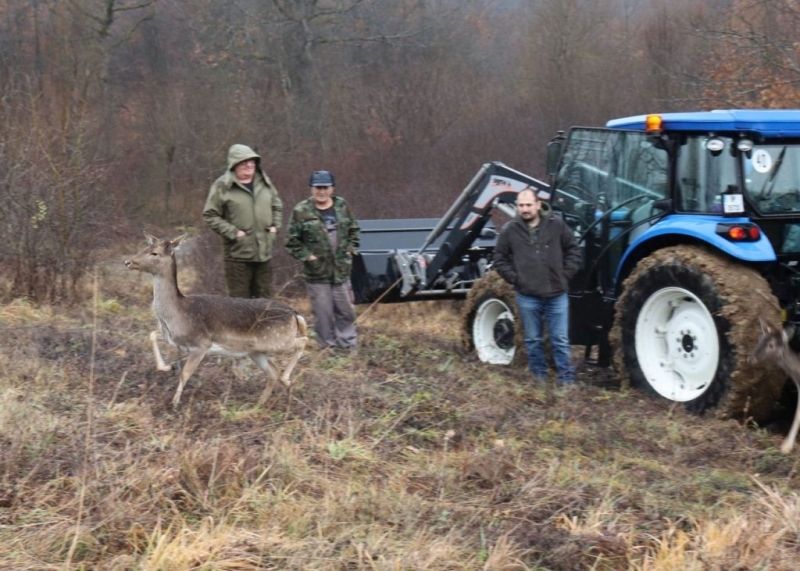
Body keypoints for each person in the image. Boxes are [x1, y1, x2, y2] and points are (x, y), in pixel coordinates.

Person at [492, 188, 582, 384]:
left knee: (560, 340)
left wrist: (565, 275)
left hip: (556, 294)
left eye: (528, 205)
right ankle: (538, 379)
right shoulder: (510, 229)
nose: (524, 209)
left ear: (538, 205)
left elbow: (573, 250)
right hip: (527, 295)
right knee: (533, 340)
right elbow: (499, 259)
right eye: (521, 205)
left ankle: (566, 380)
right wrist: (515, 278)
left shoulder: (556, 224)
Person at [286, 170, 361, 351]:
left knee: (346, 311)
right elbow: (291, 241)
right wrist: (308, 257)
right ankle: (327, 347)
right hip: (317, 273)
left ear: (332, 188)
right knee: (323, 313)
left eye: (325, 187)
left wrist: (351, 249)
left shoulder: (342, 206)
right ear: (312, 189)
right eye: (318, 187)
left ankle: (347, 345)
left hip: (341, 271)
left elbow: (354, 230)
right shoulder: (301, 211)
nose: (321, 191)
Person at [203, 144, 283, 298]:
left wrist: (275, 227)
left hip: (264, 253)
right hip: (237, 256)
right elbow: (210, 215)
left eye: (252, 161)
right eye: (243, 162)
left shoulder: (264, 182)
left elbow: (277, 205)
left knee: (265, 303)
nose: (249, 165)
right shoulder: (222, 186)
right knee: (240, 305)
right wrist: (234, 233)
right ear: (234, 164)